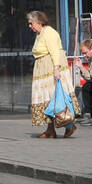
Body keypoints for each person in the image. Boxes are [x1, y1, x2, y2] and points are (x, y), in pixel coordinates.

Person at [28, 11, 79, 139]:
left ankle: (69, 125)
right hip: (43, 70)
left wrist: (56, 69)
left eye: (31, 23)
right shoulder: (40, 34)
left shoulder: (49, 33)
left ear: (39, 22)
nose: (30, 26)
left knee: (56, 98)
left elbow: (55, 52)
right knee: (48, 100)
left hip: (51, 68)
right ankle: (50, 130)